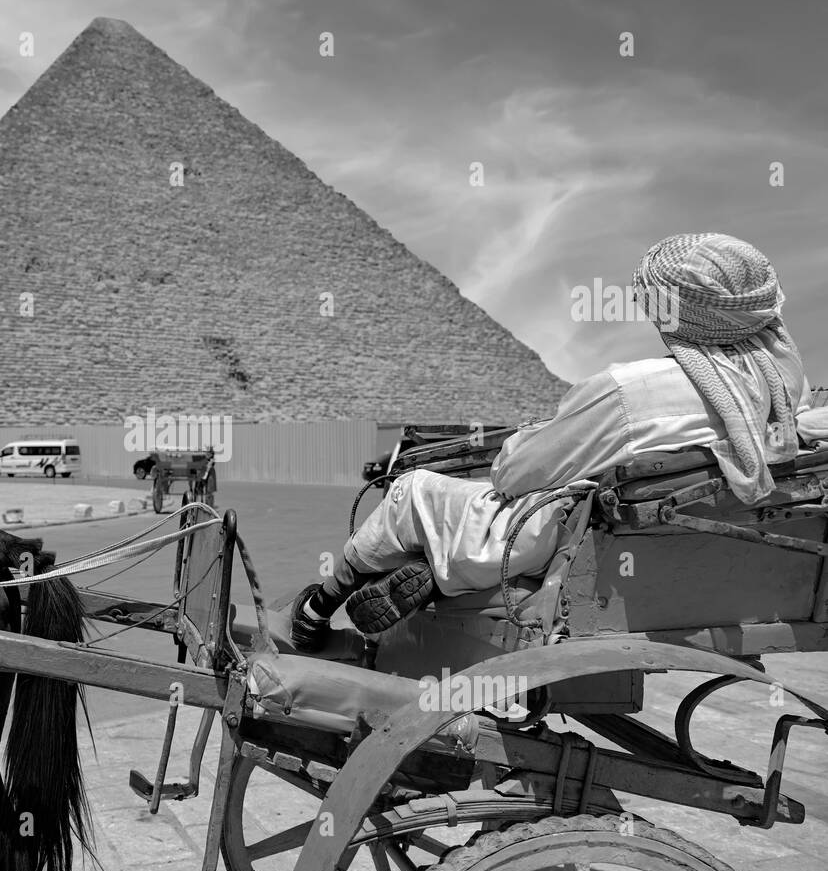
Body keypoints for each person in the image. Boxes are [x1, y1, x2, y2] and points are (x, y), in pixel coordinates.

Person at [291, 232, 828, 651]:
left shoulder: (631, 391)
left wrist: (532, 434)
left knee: (413, 492)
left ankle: (320, 604)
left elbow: (515, 474)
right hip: (718, 558)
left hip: (566, 542)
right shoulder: (783, 386)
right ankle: (437, 577)